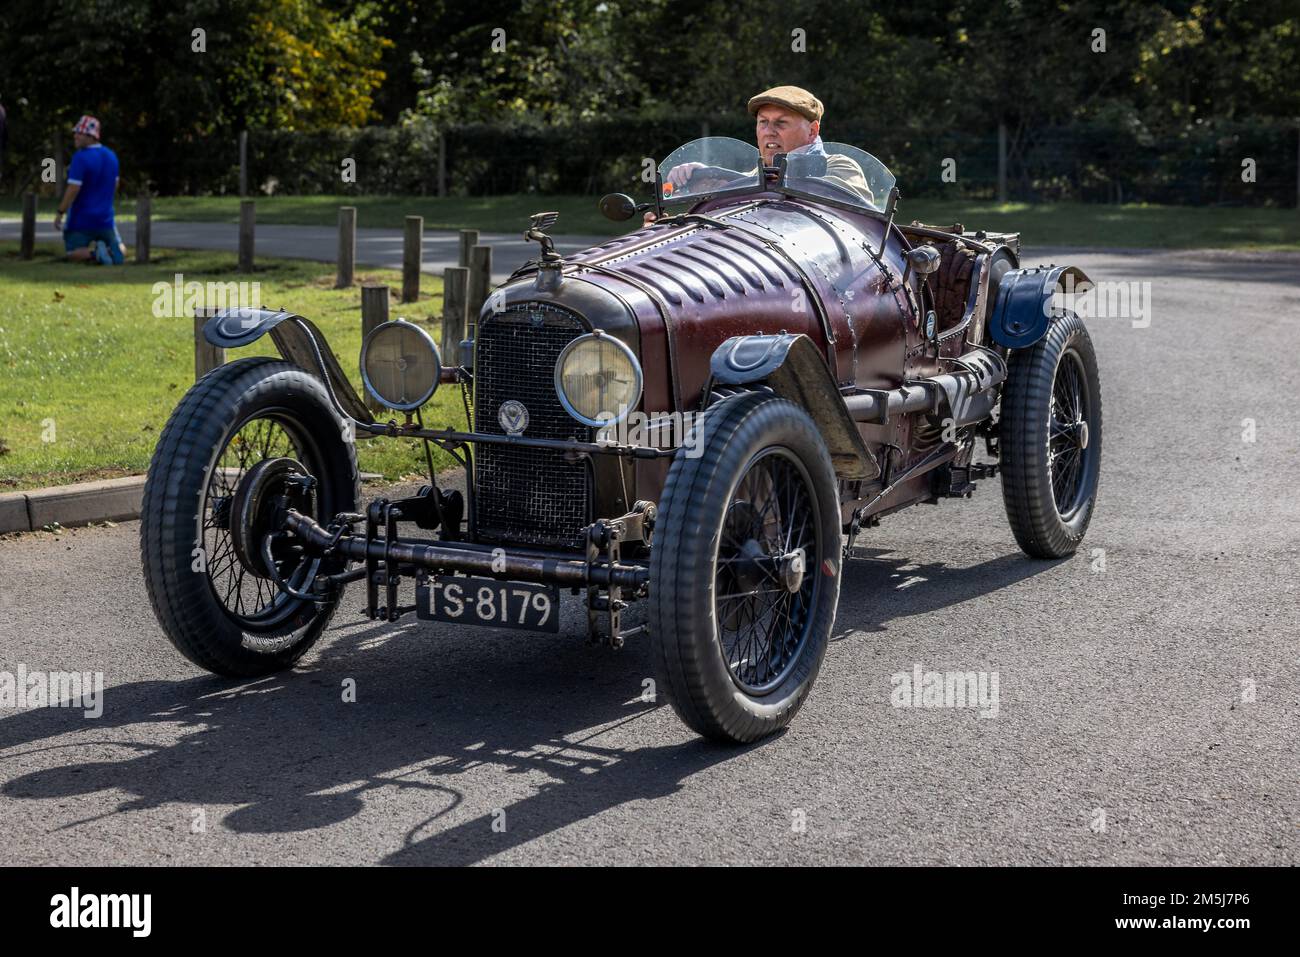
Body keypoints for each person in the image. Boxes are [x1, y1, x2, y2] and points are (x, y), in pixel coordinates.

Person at [648, 85, 872, 224]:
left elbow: (857, 225)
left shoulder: (838, 167)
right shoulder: (754, 174)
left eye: (781, 123)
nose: (769, 131)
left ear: (812, 131)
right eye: (763, 122)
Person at [54, 115, 125, 264]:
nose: (75, 136)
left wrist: (60, 212)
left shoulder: (80, 157)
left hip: (81, 220)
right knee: (119, 245)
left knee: (72, 252)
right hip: (106, 218)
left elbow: (73, 188)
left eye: (80, 133)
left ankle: (95, 254)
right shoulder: (111, 156)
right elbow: (115, 185)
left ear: (91, 136)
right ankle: (112, 252)